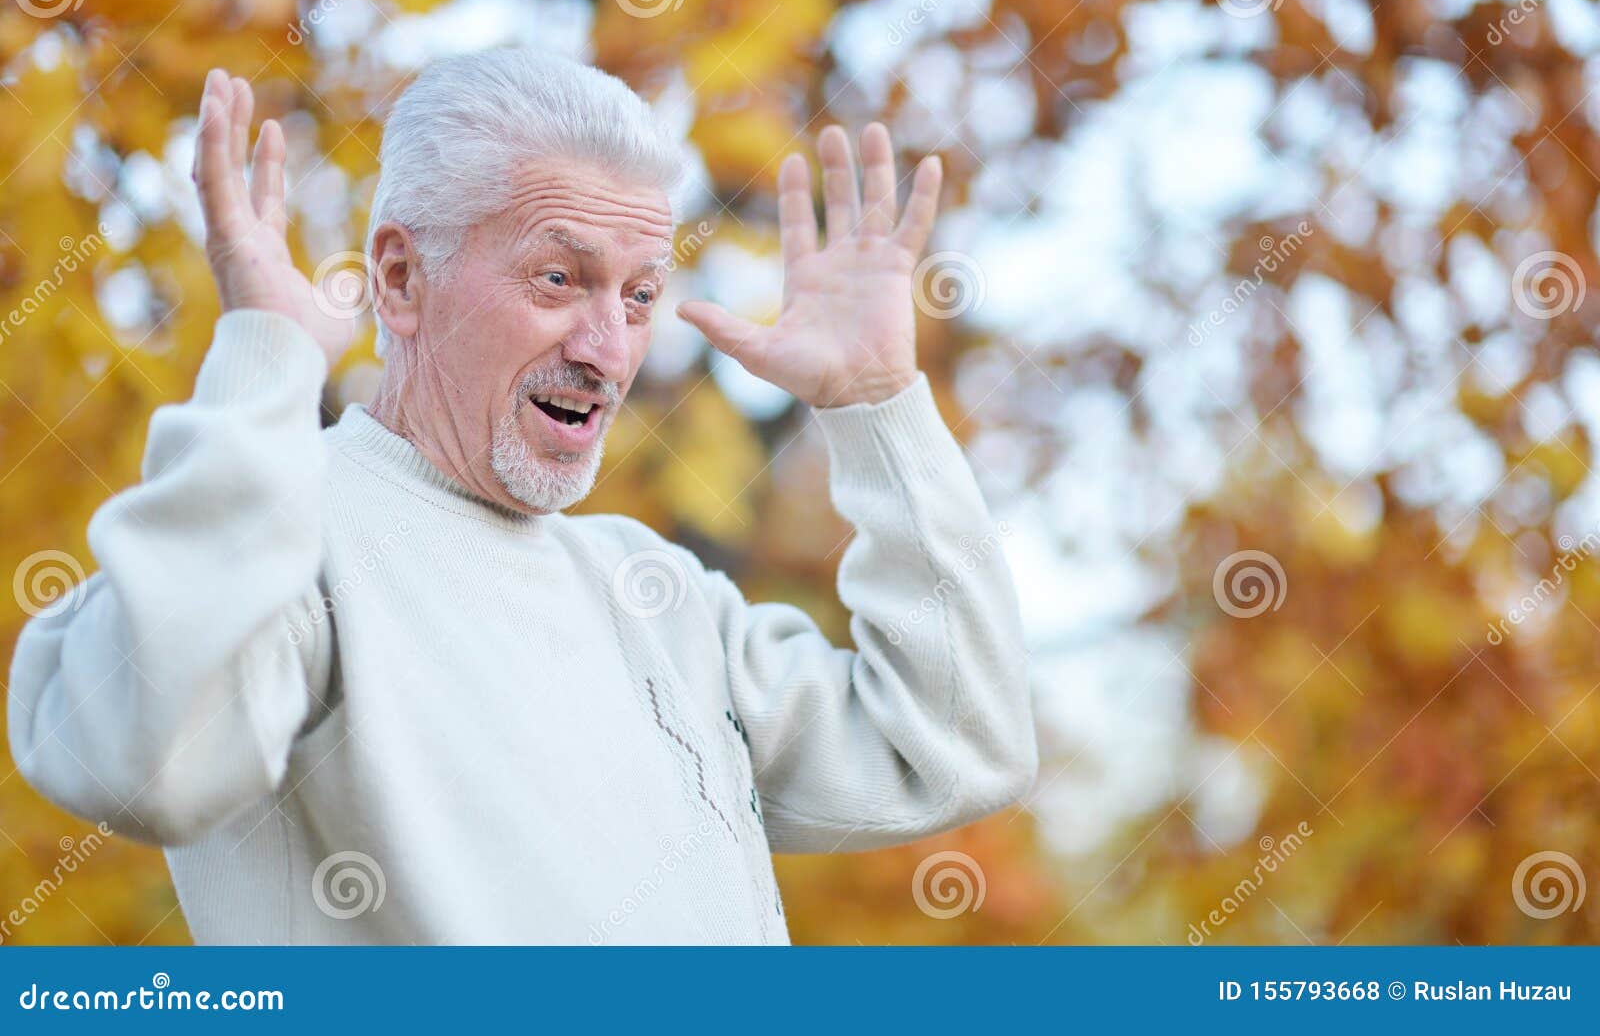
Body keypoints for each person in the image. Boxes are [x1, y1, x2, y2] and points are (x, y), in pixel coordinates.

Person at [7, 48, 1037, 943]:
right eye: (557, 280)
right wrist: (262, 362)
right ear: (401, 281)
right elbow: (139, 757)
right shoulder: (284, 524)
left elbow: (952, 745)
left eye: (638, 296)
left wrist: (877, 408)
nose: (606, 350)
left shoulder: (651, 590)